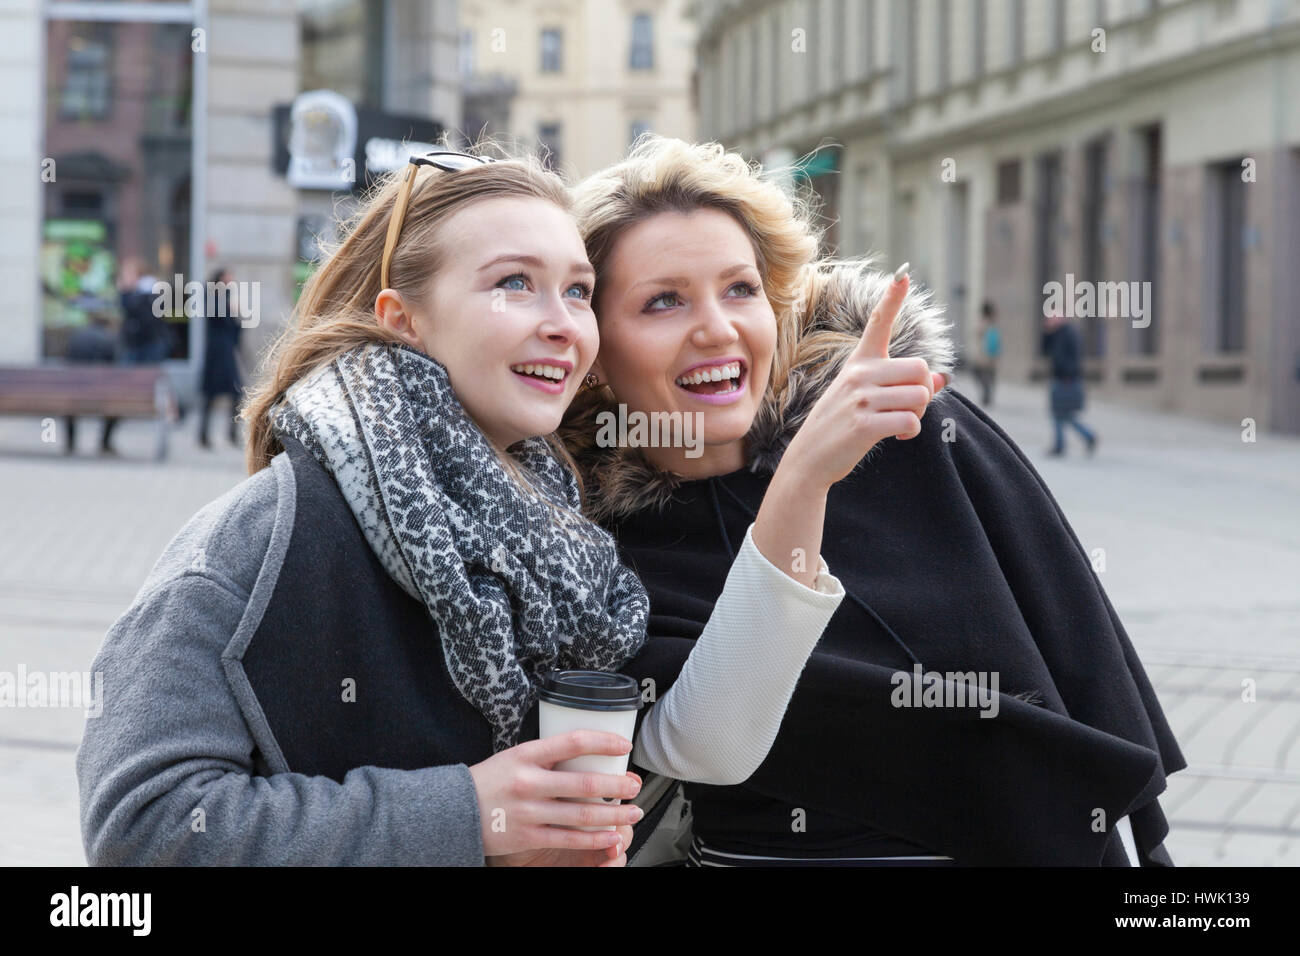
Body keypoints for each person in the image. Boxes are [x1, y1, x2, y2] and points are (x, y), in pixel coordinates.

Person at [77, 144, 847, 867]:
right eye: (513, 283)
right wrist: (466, 814)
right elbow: (143, 823)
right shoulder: (264, 535)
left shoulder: (563, 533)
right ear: (402, 318)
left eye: (577, 291)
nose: (560, 322)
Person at [562, 135, 1184, 866]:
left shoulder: (914, 429)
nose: (717, 329)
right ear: (596, 347)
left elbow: (1075, 639)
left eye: (741, 289)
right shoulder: (588, 538)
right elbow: (703, 743)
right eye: (663, 301)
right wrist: (803, 480)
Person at [198, 266, 244, 448]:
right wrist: (232, 310)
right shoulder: (213, 298)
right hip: (218, 353)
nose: (231, 280)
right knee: (214, 394)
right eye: (228, 277)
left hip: (225, 351)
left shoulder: (223, 298)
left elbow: (236, 330)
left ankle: (229, 433)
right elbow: (224, 323)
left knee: (234, 393)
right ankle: (205, 434)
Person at [1042, 308, 1098, 456]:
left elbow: (1075, 356)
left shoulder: (1070, 333)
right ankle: (1083, 438)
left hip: (1067, 379)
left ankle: (1071, 442)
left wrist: (1068, 374)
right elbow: (1045, 350)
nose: (1051, 319)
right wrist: (1047, 332)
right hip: (1059, 377)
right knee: (1061, 414)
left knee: (1062, 414)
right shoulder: (1056, 333)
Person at [63, 313, 121, 457]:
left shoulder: (76, 336)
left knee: (68, 408)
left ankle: (71, 443)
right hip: (99, 394)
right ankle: (105, 443)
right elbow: (113, 366)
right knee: (116, 407)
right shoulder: (109, 339)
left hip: (74, 392)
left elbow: (67, 360)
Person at [117, 257, 173, 365]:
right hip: (134, 344)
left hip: (150, 344)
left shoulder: (149, 293)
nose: (124, 279)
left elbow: (148, 319)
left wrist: (128, 294)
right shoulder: (132, 294)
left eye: (128, 274)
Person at [973, 300, 1001, 406]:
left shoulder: (984, 323)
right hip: (992, 355)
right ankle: (987, 394)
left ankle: (987, 395)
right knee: (989, 375)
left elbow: (978, 336)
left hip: (984, 355)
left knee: (982, 374)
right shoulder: (993, 323)